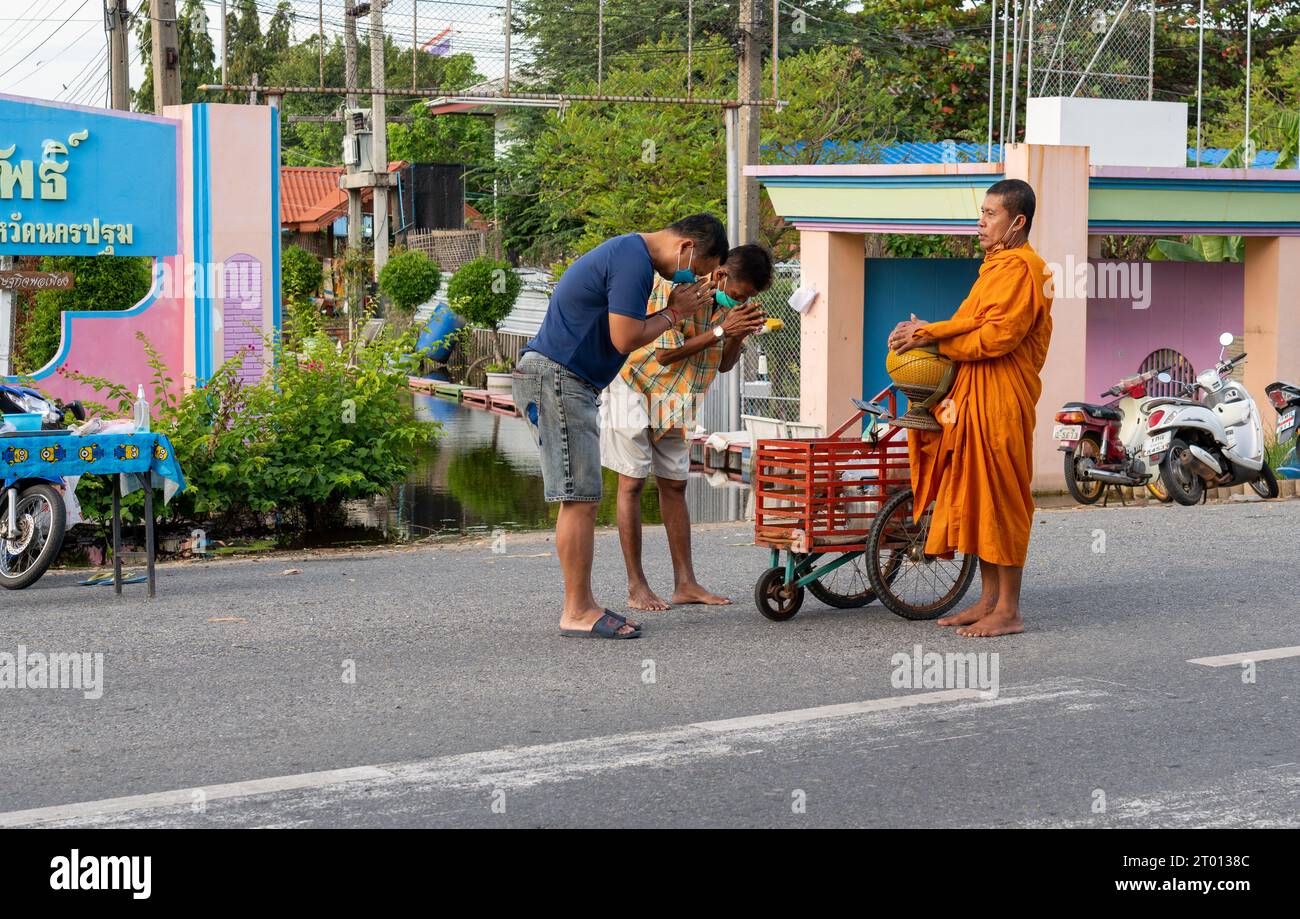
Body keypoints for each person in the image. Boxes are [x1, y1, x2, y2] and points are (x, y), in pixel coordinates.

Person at [513, 215, 729, 640]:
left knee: (581, 496)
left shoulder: (630, 255)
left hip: (563, 380)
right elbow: (625, 338)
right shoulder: (633, 259)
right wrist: (674, 312)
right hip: (558, 378)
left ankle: (582, 605)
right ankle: (577, 610)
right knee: (578, 498)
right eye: (698, 268)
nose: (692, 278)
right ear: (686, 247)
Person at [887, 178, 1052, 638]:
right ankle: (987, 600)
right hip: (973, 396)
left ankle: (1010, 610)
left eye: (990, 214)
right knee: (977, 494)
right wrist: (926, 331)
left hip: (1002, 401)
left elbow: (997, 337)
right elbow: (969, 325)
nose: (980, 222)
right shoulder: (995, 267)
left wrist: (932, 333)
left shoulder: (1023, 268)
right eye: (980, 213)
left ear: (1016, 222)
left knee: (1002, 496)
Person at [601, 244, 774, 612]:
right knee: (631, 482)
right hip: (635, 386)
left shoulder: (729, 308)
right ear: (722, 275)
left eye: (747, 300)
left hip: (679, 399)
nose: (740, 301)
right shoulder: (676, 289)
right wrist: (719, 331)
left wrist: (738, 333)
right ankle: (637, 586)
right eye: (741, 294)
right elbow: (663, 354)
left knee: (675, 485)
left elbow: (725, 365)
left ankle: (685, 583)